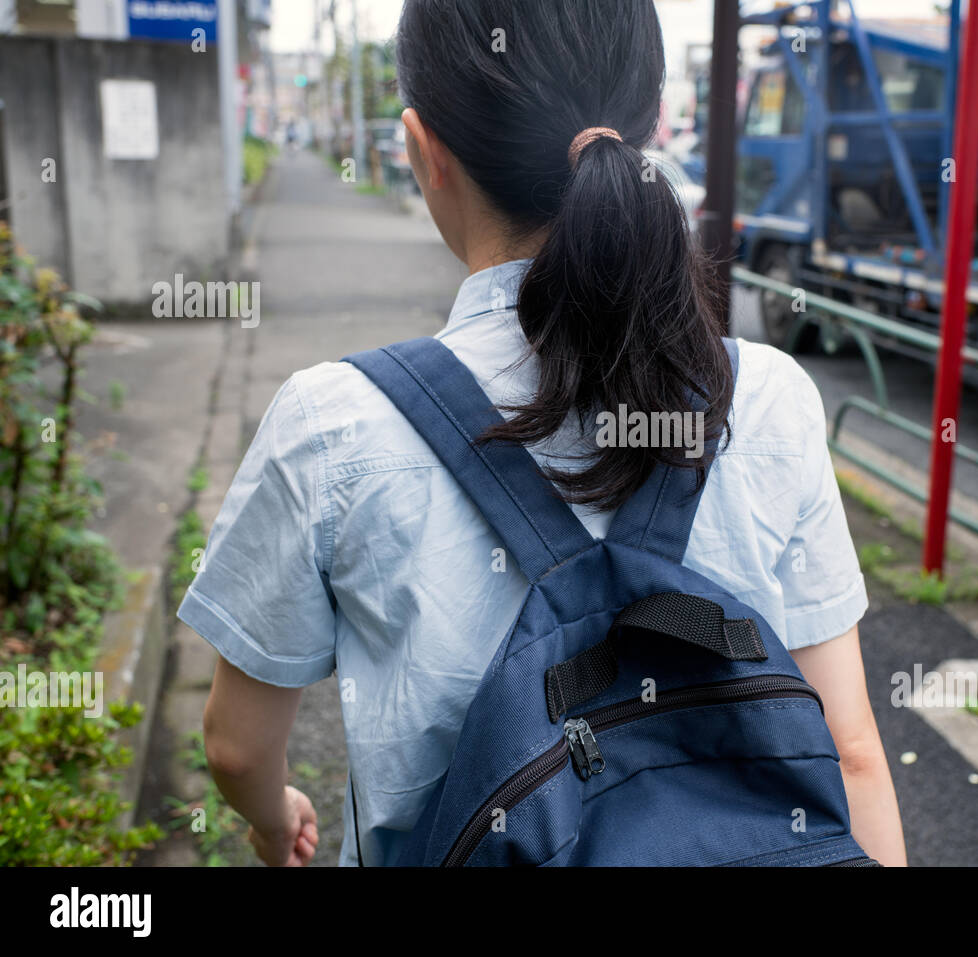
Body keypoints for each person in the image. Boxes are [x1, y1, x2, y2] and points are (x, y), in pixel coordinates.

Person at [181, 0, 906, 867]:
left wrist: (273, 819)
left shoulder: (331, 423)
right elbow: (852, 752)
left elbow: (235, 745)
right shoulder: (769, 397)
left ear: (423, 150)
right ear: (645, 127)